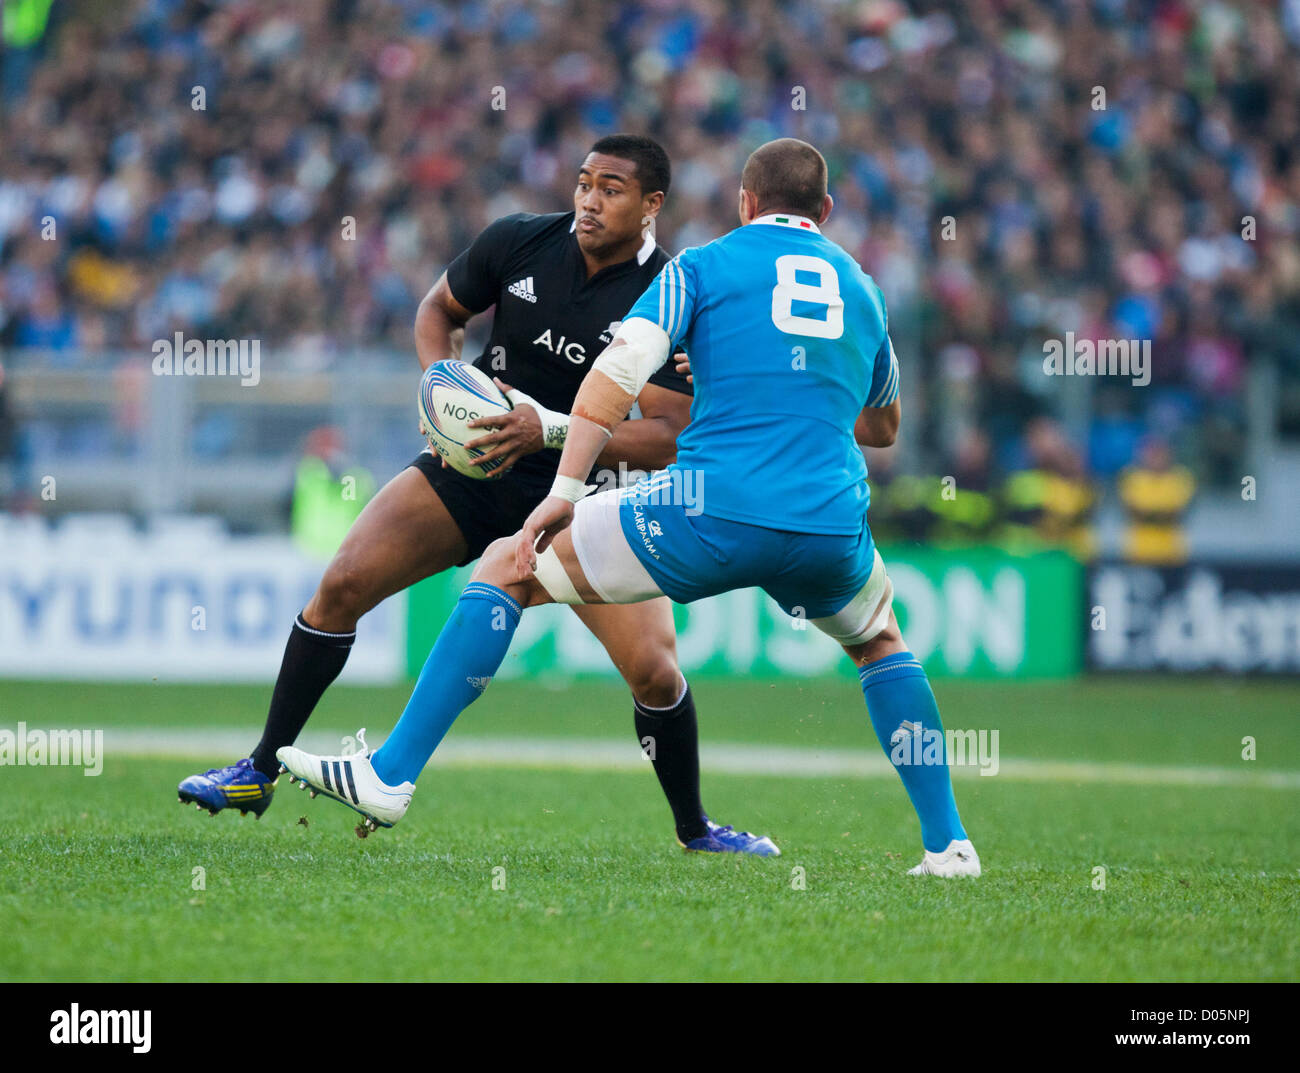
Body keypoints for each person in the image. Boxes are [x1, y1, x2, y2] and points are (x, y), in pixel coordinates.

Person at [280, 138, 980, 877]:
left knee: (506, 564)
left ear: (744, 203)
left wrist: (564, 491)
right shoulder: (862, 288)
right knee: (879, 643)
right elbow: (882, 427)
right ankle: (949, 845)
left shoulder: (700, 268)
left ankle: (390, 773)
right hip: (829, 523)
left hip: (713, 507)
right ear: (825, 210)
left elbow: (612, 380)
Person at [178, 133, 777, 857]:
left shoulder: (670, 292)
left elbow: (668, 436)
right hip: (475, 467)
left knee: (654, 672)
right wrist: (443, 388)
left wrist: (550, 431)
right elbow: (437, 312)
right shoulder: (519, 243)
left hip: (583, 497)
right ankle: (260, 767)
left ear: (653, 204)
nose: (589, 200)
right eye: (584, 182)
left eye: (611, 189)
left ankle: (696, 829)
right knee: (340, 584)